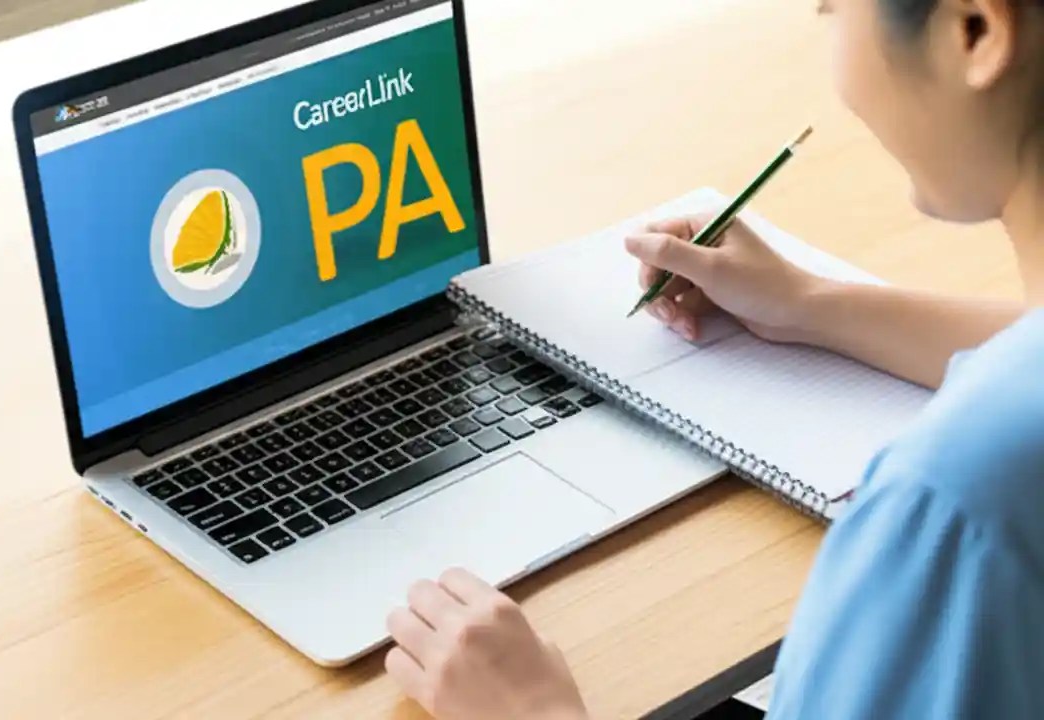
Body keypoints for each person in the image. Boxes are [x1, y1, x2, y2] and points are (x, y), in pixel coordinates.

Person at [382, 0, 1044, 717]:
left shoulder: (956, 501)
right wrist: (814, 304)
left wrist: (533, 711)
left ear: (975, 29)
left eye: (830, 7)